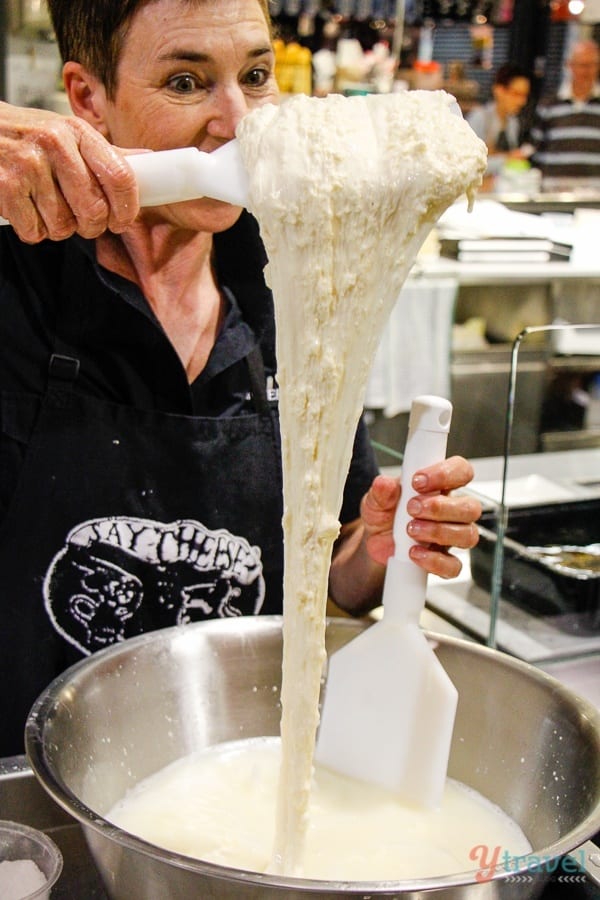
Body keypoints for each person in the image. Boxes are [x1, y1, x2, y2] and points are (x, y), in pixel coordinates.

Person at [0, 0, 482, 756]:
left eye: (255, 76)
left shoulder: (294, 281)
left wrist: (378, 548)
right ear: (89, 99)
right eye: (187, 82)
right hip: (34, 804)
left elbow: (328, 575)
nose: (239, 120)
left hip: (238, 764)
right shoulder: (18, 276)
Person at [531, 39, 600, 179]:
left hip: (595, 193)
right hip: (553, 191)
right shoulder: (548, 105)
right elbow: (535, 149)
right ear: (569, 65)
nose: (586, 71)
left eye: (591, 65)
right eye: (582, 65)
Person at [467, 63, 532, 177]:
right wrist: (507, 159)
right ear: (499, 90)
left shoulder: (513, 123)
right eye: (516, 94)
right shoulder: (480, 118)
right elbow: (468, 166)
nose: (522, 102)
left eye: (524, 96)